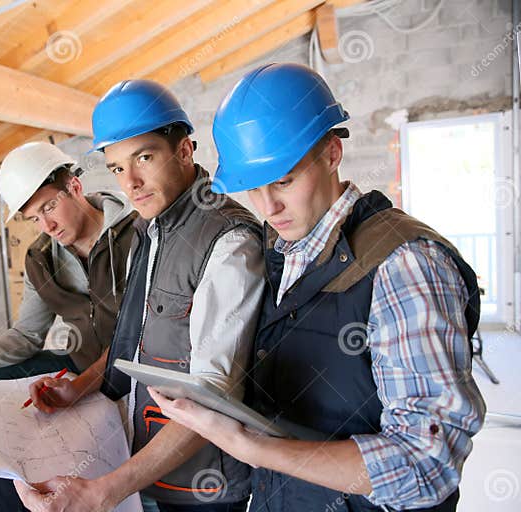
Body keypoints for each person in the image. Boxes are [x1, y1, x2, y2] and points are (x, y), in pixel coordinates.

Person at [150, 63, 486, 512]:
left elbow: (428, 465)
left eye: (284, 181)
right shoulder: (277, 250)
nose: (268, 206)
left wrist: (252, 448)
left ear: (331, 153)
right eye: (253, 187)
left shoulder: (405, 264)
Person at [15, 80, 265, 511]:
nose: (130, 182)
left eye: (144, 158)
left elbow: (213, 400)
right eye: (115, 168)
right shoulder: (153, 230)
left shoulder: (227, 241)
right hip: (151, 467)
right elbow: (134, 341)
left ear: (185, 150)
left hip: (203, 485)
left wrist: (102, 491)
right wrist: (80, 387)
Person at [0, 141, 136, 512]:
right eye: (34, 217)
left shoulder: (137, 236)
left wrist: (80, 388)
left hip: (133, 367)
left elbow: (141, 334)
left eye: (50, 206)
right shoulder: (40, 259)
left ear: (75, 187)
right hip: (81, 361)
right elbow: (25, 337)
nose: (47, 226)